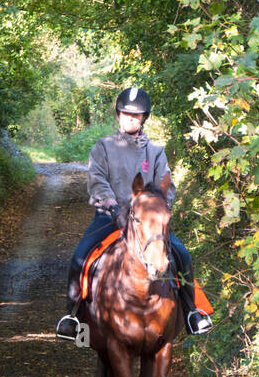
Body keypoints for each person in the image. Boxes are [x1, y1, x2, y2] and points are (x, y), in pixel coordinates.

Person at [55, 86, 213, 339]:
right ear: (118, 115)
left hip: (147, 222)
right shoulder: (103, 146)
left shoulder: (156, 152)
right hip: (110, 217)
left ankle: (192, 312)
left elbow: (167, 186)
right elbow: (96, 181)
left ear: (143, 119)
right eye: (126, 114)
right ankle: (72, 316)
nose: (130, 118)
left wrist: (155, 210)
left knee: (182, 254)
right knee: (79, 257)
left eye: (136, 115)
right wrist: (113, 206)